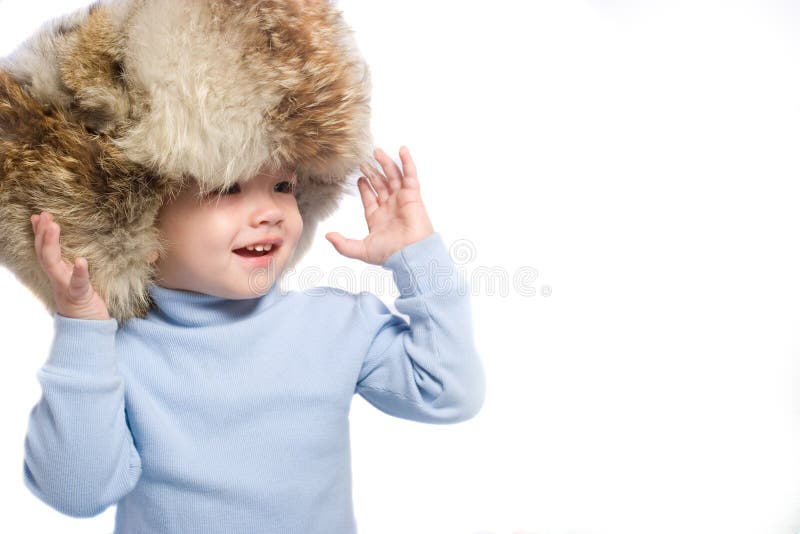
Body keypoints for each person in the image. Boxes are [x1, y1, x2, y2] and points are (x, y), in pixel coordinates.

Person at [24, 145, 486, 533]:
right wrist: (82, 331)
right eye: (228, 188)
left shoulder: (336, 325)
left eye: (283, 187)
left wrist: (417, 257)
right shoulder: (114, 354)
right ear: (139, 226)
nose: (270, 212)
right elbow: (77, 493)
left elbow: (447, 392)